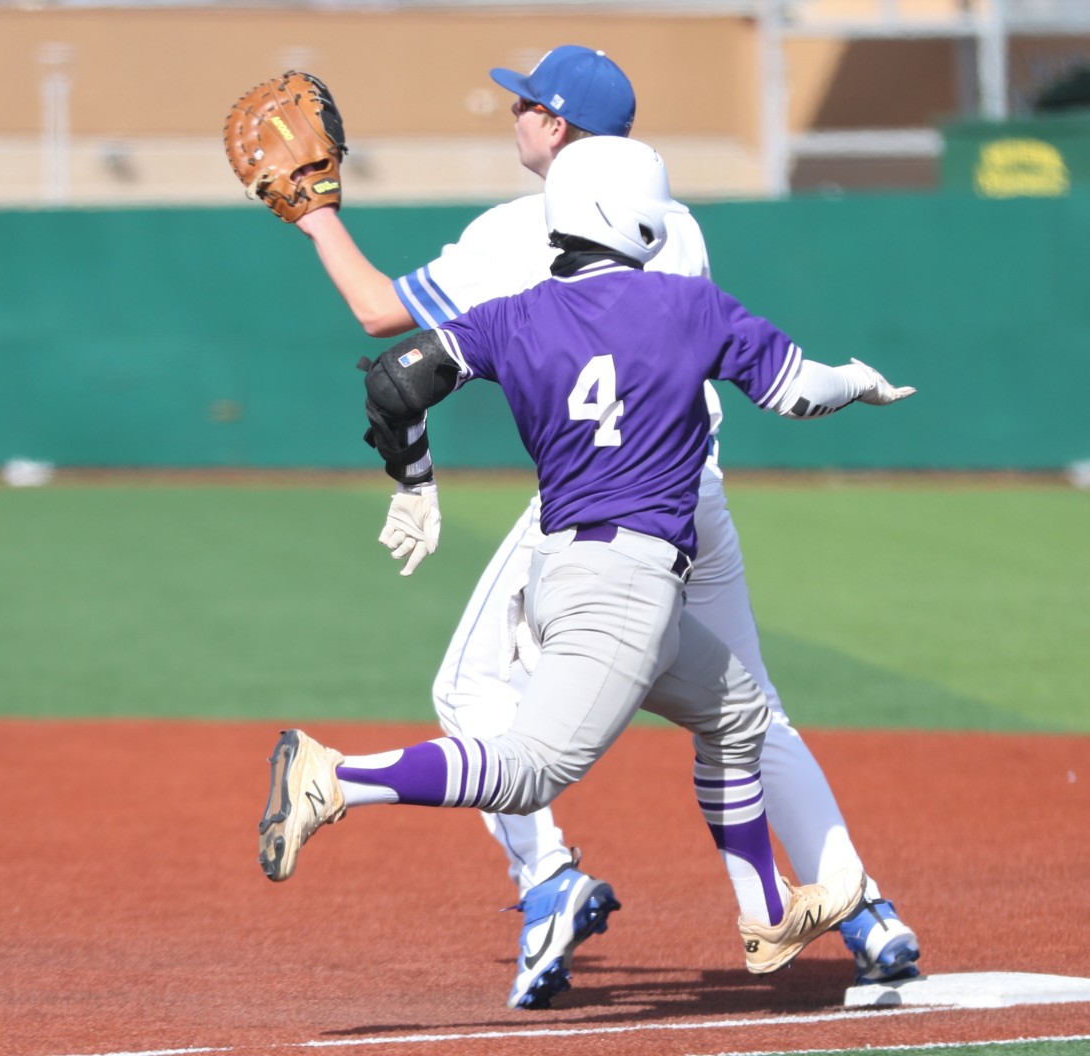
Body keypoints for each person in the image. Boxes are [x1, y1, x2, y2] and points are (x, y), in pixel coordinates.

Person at [290, 45, 921, 1009]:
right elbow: (785, 383)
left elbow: (383, 322)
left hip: (594, 515)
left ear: (557, 130)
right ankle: (855, 906)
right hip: (692, 496)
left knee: (474, 697)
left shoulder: (517, 237)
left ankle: (537, 877)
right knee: (749, 711)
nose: (514, 119)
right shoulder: (677, 229)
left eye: (525, 109)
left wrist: (315, 214)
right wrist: (857, 381)